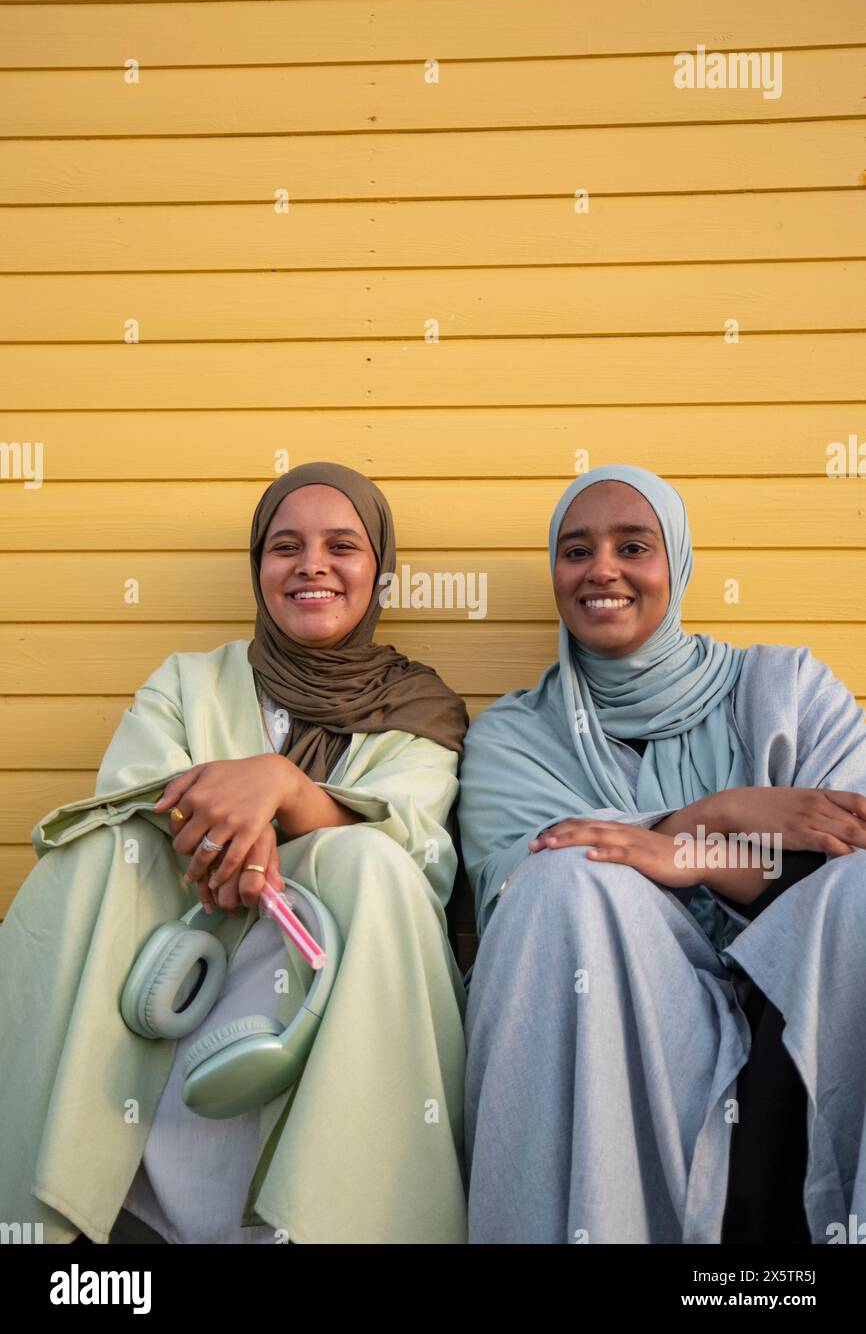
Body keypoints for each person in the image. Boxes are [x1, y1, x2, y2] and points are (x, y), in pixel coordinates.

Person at [0, 461, 470, 1244]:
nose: (312, 564)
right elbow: (137, 809)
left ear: (379, 570)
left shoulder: (418, 705)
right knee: (98, 852)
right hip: (177, 963)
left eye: (341, 546)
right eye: (285, 546)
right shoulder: (189, 683)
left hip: (332, 975)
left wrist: (279, 787)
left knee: (371, 865)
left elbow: (416, 847)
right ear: (258, 570)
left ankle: (328, 1222)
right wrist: (238, 822)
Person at [456, 463, 866, 1244]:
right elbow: (531, 882)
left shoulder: (788, 690)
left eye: (632, 546)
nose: (602, 569)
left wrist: (698, 851)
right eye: (576, 551)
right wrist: (716, 815)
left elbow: (853, 843)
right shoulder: (512, 736)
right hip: (617, 1026)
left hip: (801, 1014)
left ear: (675, 563)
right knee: (562, 882)